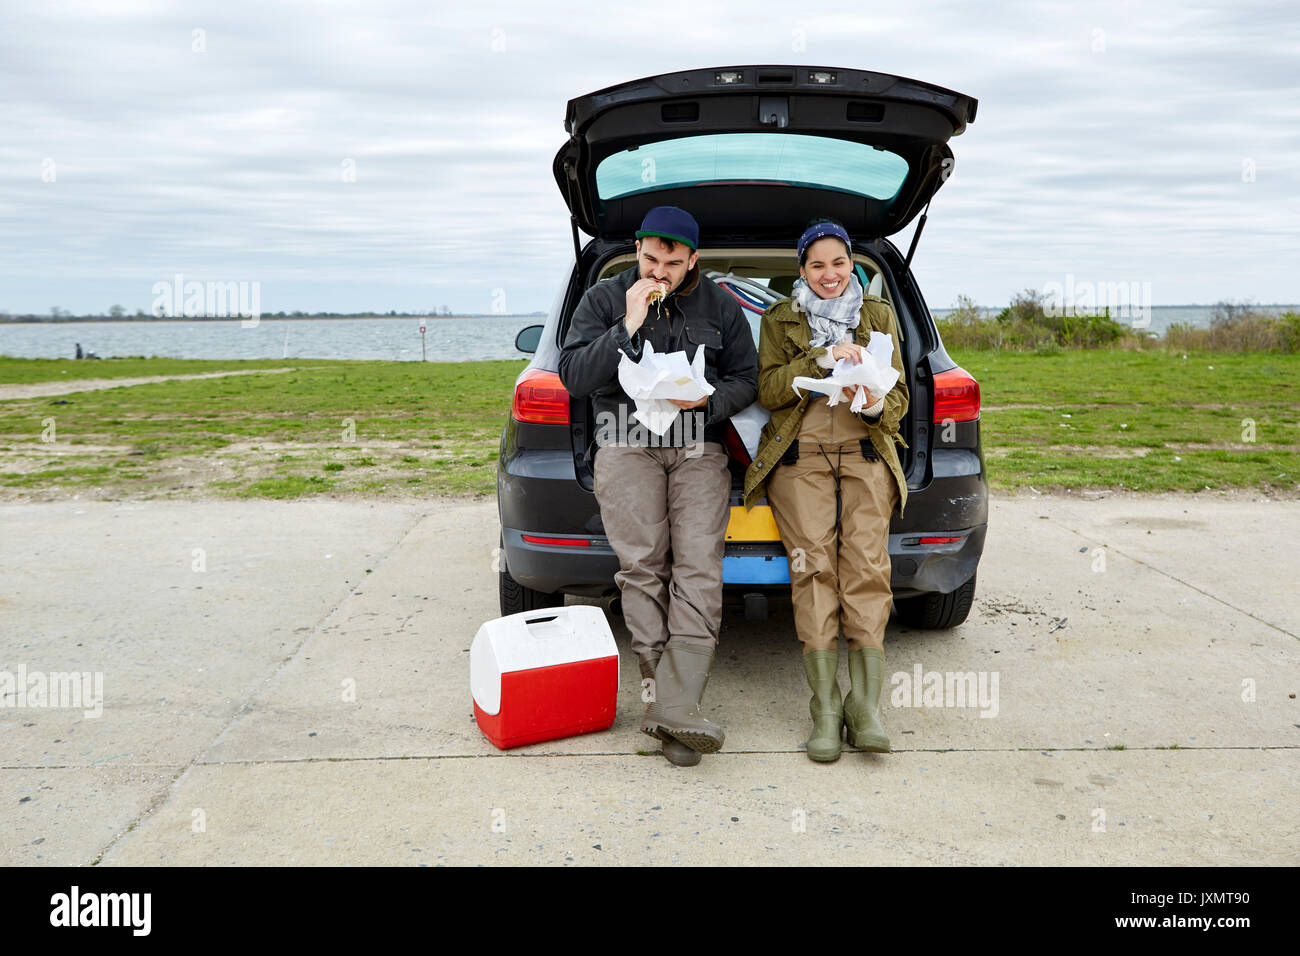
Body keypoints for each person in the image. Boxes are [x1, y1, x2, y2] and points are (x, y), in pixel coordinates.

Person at [558, 206, 758, 767]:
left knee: (697, 562)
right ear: (637, 248)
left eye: (673, 262)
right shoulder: (604, 299)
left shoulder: (721, 306)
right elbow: (573, 376)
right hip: (623, 440)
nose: (659, 272)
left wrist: (710, 401)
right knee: (643, 564)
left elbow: (745, 378)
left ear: (694, 259)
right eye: (650, 259)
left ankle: (678, 704)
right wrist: (626, 324)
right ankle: (660, 698)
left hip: (698, 444)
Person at [743, 219, 909, 762]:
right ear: (802, 270)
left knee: (866, 564)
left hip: (865, 448)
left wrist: (878, 403)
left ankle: (866, 707)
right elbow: (767, 391)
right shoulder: (779, 317)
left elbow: (901, 393)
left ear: (852, 264)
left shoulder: (878, 314)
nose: (829, 274)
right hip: (800, 453)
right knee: (813, 565)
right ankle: (825, 707)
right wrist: (821, 358)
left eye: (838, 262)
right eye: (817, 265)